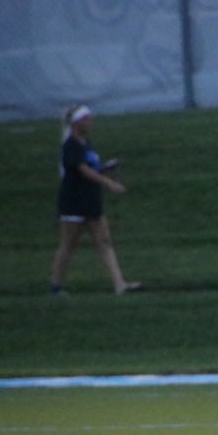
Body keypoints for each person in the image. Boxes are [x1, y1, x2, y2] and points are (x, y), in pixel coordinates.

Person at [49, 105, 140, 296]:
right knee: (68, 244)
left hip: (90, 198)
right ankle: (55, 286)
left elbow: (92, 169)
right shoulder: (71, 145)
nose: (90, 122)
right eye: (86, 119)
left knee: (104, 240)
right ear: (76, 122)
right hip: (74, 200)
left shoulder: (85, 143)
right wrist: (110, 184)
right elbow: (83, 171)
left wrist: (106, 168)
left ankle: (119, 284)